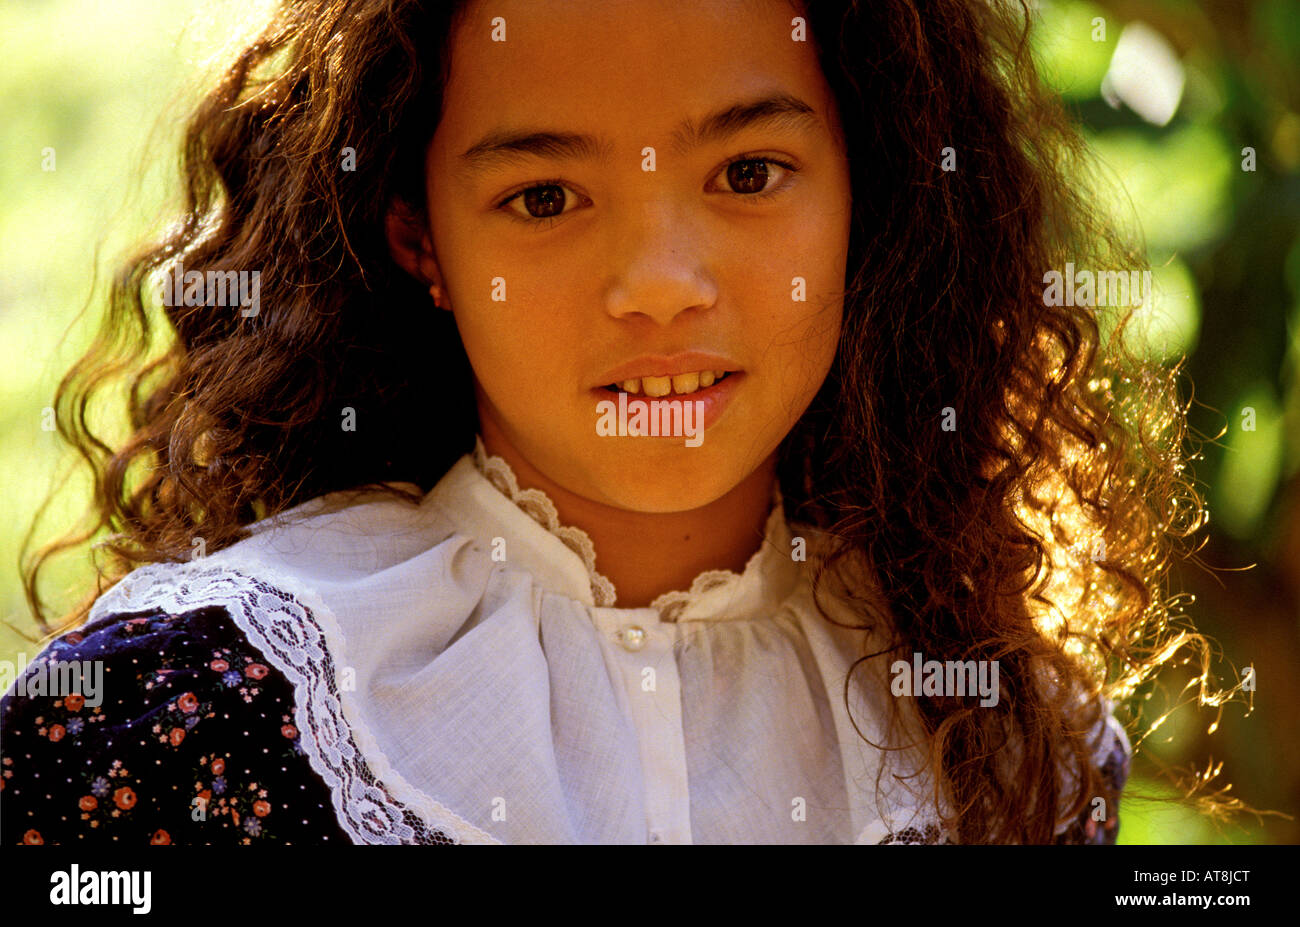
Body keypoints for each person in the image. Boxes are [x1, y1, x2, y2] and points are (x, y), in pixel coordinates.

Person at [7, 0, 1210, 844]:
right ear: (419, 237)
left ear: (871, 188)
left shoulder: (1009, 751)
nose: (659, 283)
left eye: (746, 173)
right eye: (544, 196)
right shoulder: (194, 711)